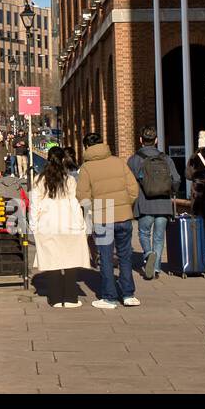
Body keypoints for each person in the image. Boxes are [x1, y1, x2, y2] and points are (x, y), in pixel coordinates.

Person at [75, 131, 140, 308]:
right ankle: (128, 294)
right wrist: (126, 204)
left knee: (105, 258)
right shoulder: (119, 162)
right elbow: (133, 189)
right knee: (125, 256)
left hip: (103, 216)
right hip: (124, 216)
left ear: (86, 147)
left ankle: (109, 297)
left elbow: (82, 196)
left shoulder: (87, 168)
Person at [30, 146, 89, 307]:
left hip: (47, 224)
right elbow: (74, 203)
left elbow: (34, 204)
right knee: (70, 260)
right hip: (68, 222)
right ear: (63, 159)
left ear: (48, 159)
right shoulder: (69, 180)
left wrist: (34, 225)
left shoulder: (38, 180)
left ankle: (55, 299)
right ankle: (70, 298)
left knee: (52, 262)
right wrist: (81, 224)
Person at [127, 125, 180, 279]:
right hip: (163, 204)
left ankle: (148, 254)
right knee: (158, 236)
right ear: (156, 140)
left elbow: (128, 183)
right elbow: (176, 179)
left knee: (143, 233)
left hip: (144, 204)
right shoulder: (166, 158)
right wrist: (172, 190)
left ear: (140, 140)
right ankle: (156, 268)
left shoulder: (134, 160)